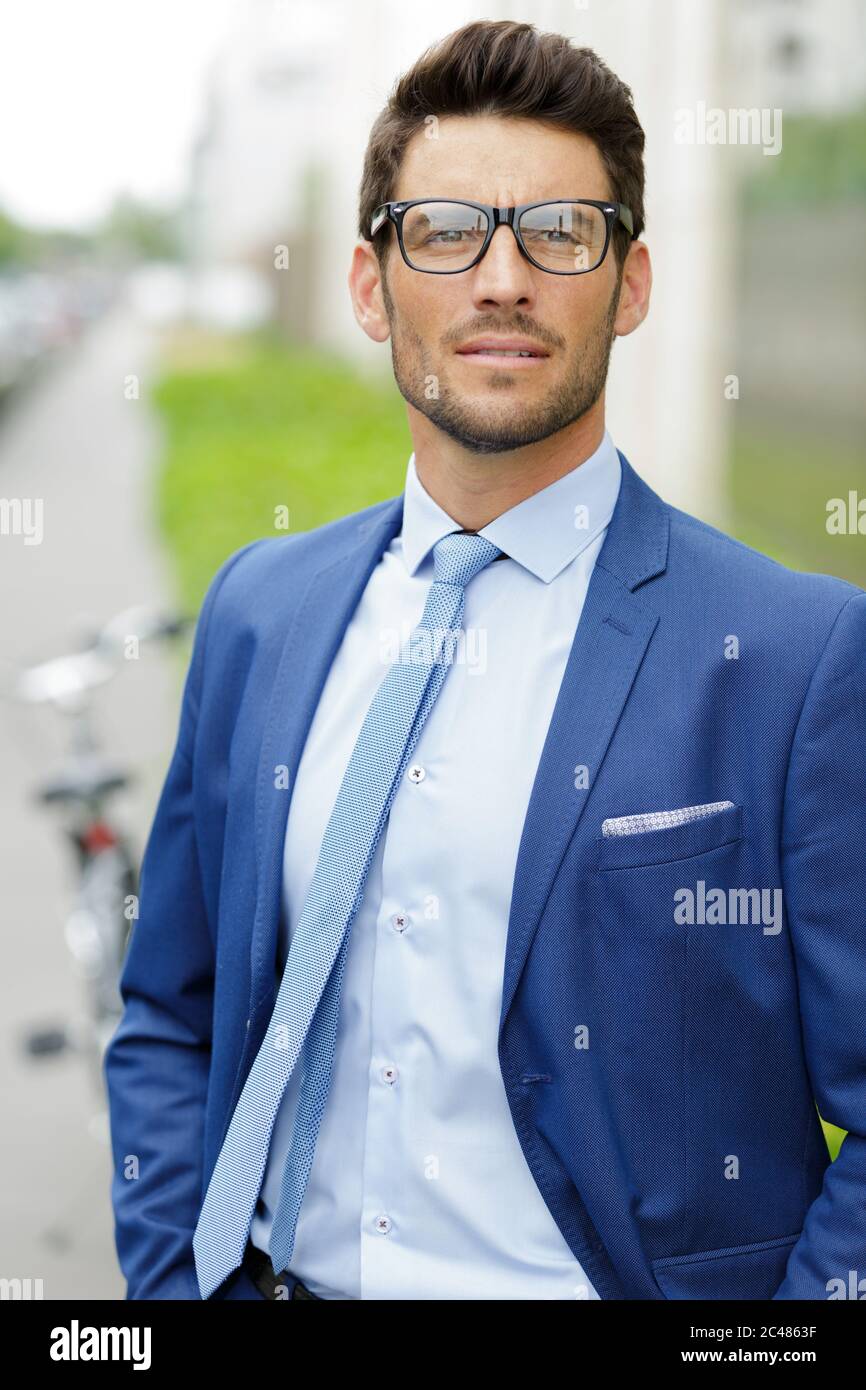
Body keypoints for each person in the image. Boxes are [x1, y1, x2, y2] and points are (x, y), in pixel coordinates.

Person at [104, 18, 866, 1301]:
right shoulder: (259, 611)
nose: (501, 280)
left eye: (558, 232)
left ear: (628, 284)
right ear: (368, 284)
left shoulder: (794, 657)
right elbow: (171, 1019)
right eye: (446, 231)